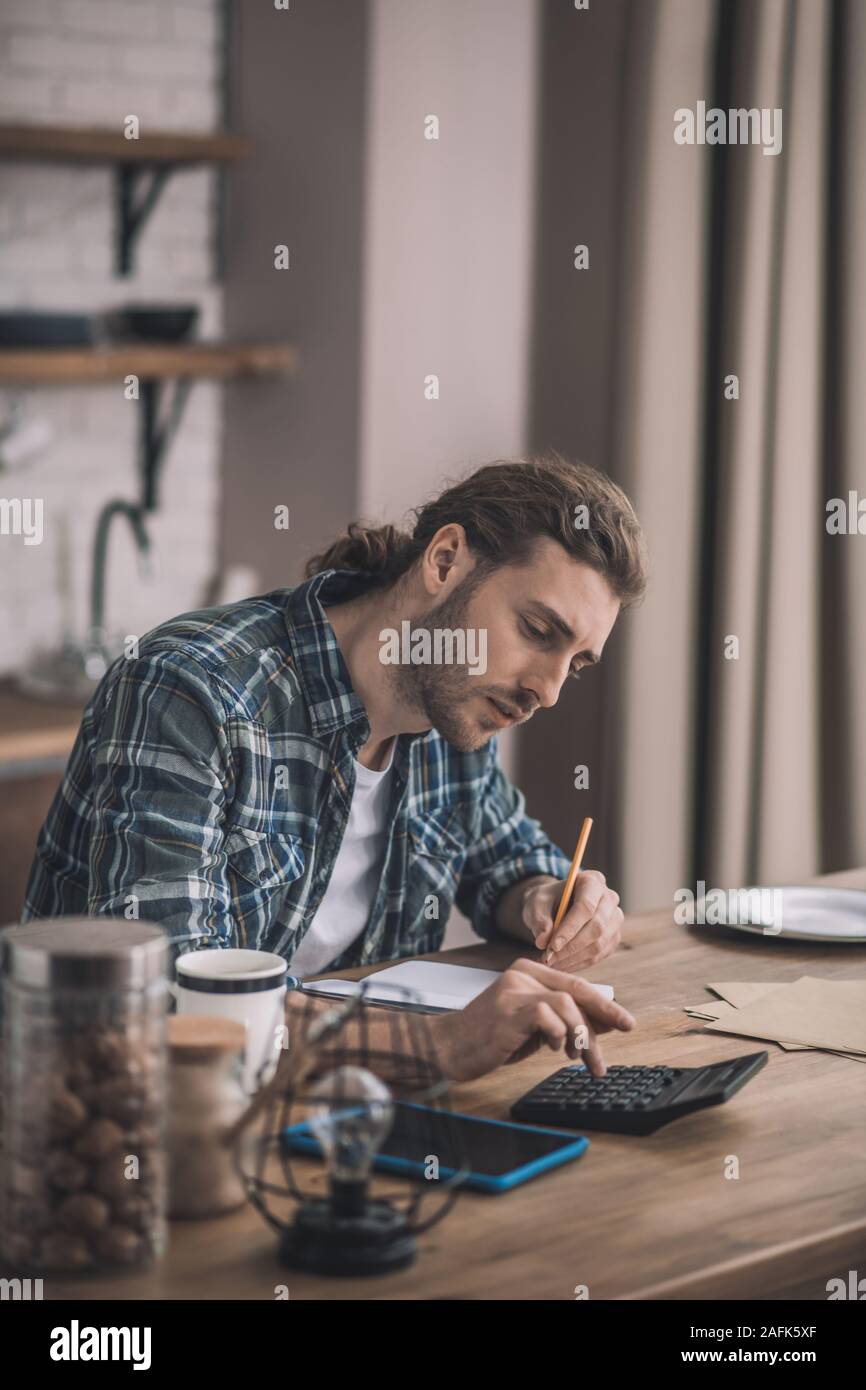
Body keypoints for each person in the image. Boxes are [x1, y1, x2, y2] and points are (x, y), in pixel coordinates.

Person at [22, 452, 647, 1077]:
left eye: (577, 663)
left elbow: (510, 865)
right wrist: (437, 1045)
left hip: (346, 1114)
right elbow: (172, 1007)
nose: (550, 689)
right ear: (445, 561)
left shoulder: (453, 715)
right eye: (538, 630)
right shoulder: (191, 691)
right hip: (133, 1130)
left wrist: (550, 900)